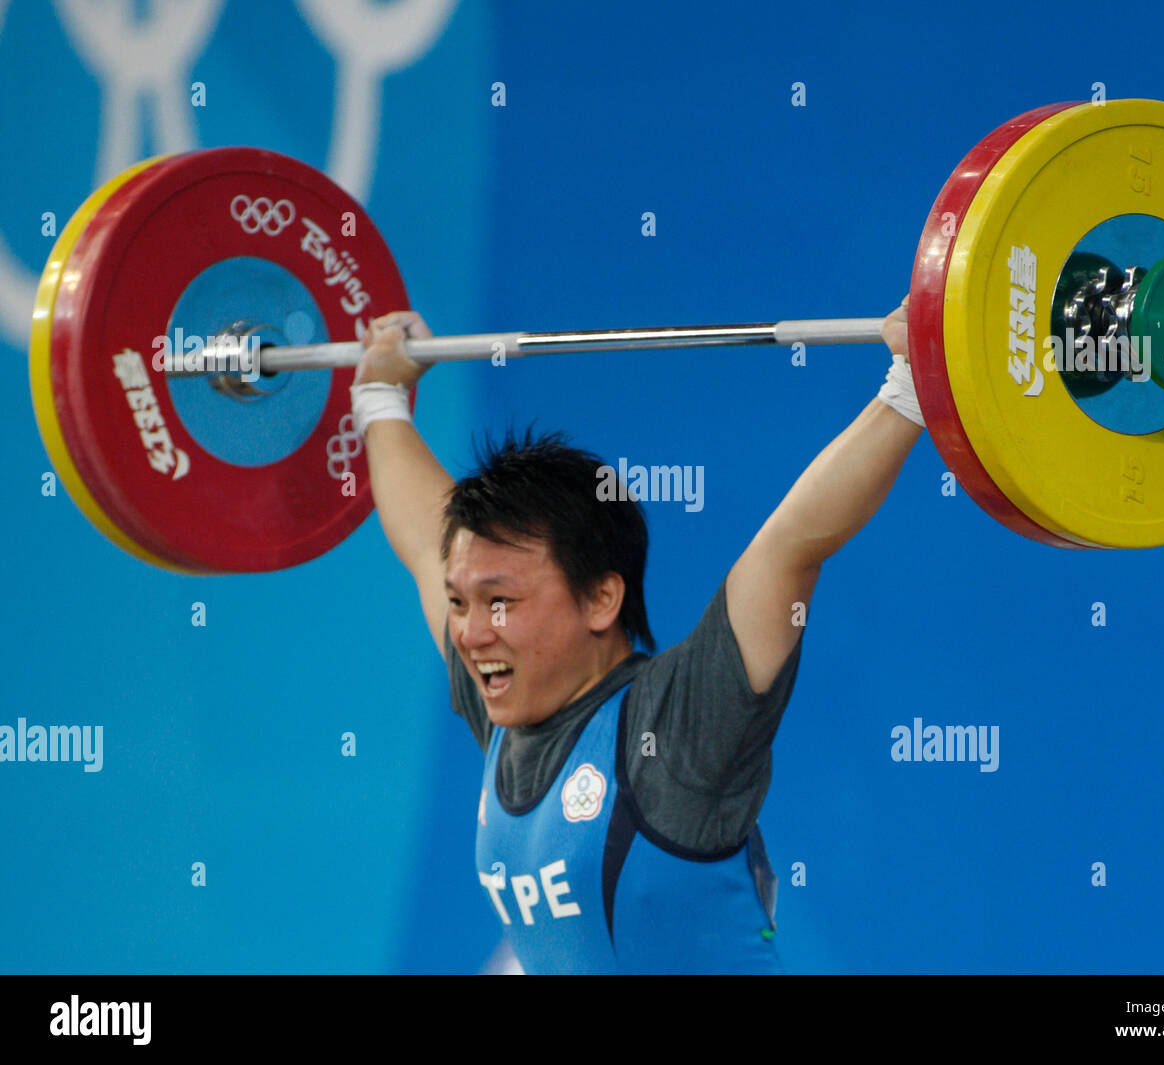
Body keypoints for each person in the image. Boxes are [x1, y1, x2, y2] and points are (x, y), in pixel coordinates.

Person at [351, 300, 923, 974]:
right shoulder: (504, 695)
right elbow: (426, 541)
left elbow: (794, 544)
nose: (471, 631)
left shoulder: (677, 723)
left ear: (601, 596)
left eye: (500, 600)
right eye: (460, 602)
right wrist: (380, 395)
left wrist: (913, 384)